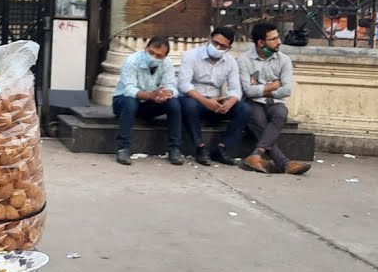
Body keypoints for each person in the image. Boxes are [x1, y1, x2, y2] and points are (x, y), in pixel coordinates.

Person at [236, 23, 310, 175]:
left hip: (275, 102)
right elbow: (249, 91)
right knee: (258, 119)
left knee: (281, 114)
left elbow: (287, 90)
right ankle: (285, 164)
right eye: (274, 39)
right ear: (261, 42)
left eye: (278, 38)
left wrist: (264, 90)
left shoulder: (284, 60)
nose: (279, 42)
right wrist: (273, 85)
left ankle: (256, 155)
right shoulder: (244, 60)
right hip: (254, 102)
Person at [178, 26, 253, 165]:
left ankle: (221, 148)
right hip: (195, 99)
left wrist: (229, 102)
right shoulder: (191, 55)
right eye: (215, 43)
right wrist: (205, 101)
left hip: (216, 103)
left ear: (228, 48)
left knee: (245, 109)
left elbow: (236, 89)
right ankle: (200, 148)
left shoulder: (231, 62)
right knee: (188, 104)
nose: (217, 47)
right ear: (209, 39)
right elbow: (183, 84)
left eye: (222, 46)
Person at [112, 36, 183, 165]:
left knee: (174, 103)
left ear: (165, 57)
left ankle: (175, 148)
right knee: (130, 101)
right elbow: (129, 89)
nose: (154, 57)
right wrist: (151, 96)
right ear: (145, 49)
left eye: (159, 56)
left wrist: (167, 94)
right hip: (124, 102)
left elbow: (171, 85)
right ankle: (123, 148)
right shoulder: (132, 61)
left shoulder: (167, 63)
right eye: (151, 53)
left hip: (150, 103)